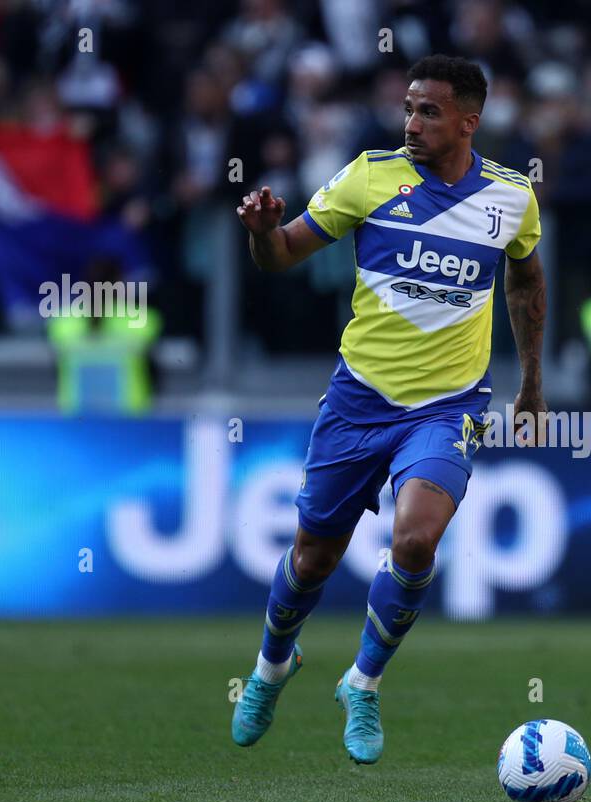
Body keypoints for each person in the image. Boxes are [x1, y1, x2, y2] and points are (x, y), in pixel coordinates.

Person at [231, 55, 546, 764]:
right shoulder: (369, 177)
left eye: (429, 111)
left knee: (414, 543)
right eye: (408, 107)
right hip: (358, 399)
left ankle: (363, 682)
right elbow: (281, 257)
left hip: (447, 407)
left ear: (469, 121)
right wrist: (261, 229)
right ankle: (271, 668)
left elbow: (526, 283)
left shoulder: (511, 197)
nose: (411, 122)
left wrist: (530, 383)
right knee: (313, 558)